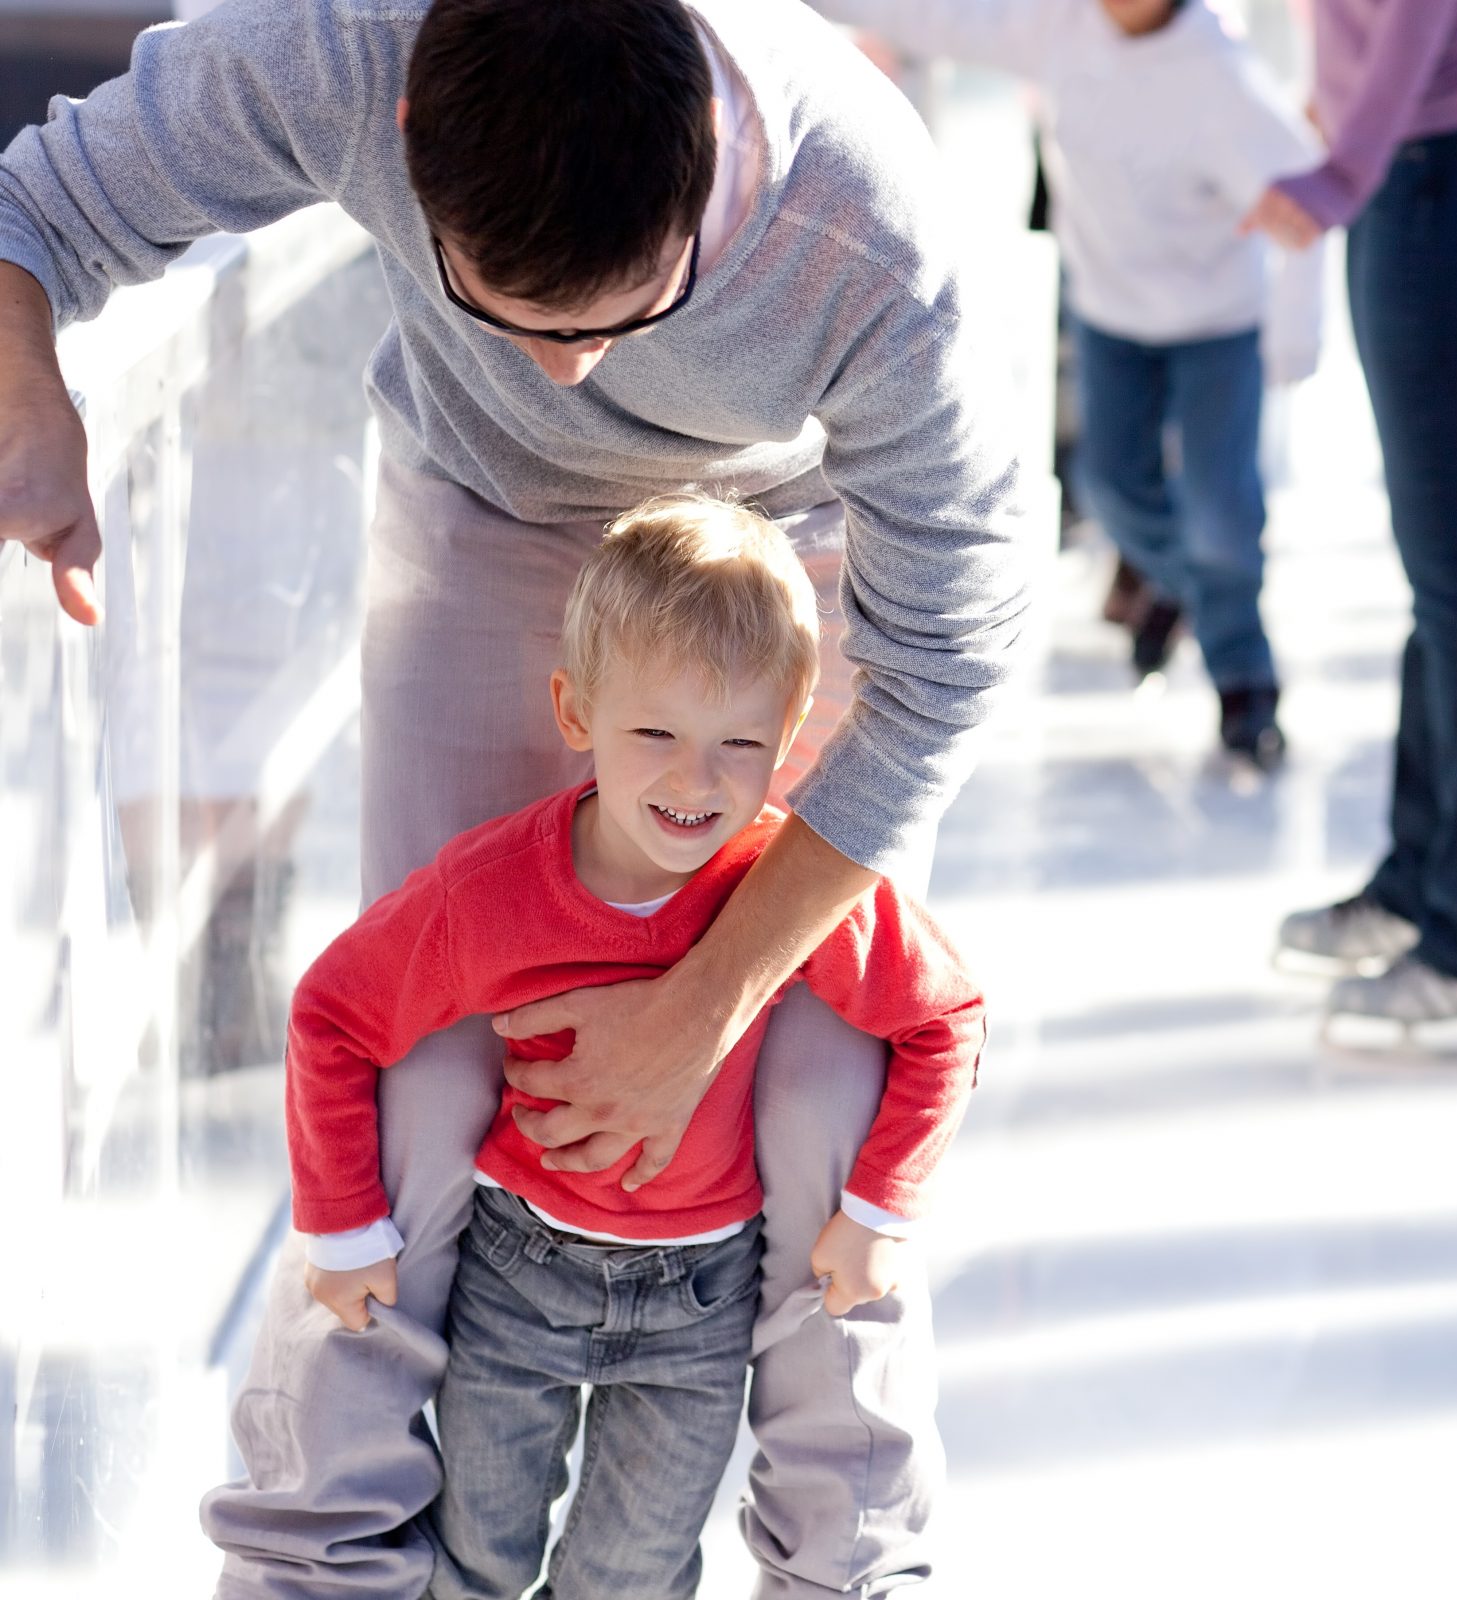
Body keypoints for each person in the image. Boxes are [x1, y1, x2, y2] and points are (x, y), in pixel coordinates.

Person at [0, 1, 1030, 1594]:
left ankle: (848, 1571)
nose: (569, 366)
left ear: (703, 165)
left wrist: (701, 1003)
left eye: (625, 318)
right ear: (409, 145)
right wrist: (24, 390)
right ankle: (319, 1565)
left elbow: (954, 652)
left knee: (825, 1095)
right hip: (486, 522)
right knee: (417, 1077)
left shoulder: (869, 225)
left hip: (774, 567)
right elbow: (36, 206)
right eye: (517, 314)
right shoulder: (342, 53)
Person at [291, 497, 984, 1599]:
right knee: (477, 1554)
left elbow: (945, 1017)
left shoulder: (794, 889)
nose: (694, 781)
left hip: (700, 1305)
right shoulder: (492, 891)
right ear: (575, 711)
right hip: (516, 1277)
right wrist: (343, 1230)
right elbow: (331, 1011)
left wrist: (877, 1213)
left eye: (740, 743)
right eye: (654, 733)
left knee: (633, 1575)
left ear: (793, 732)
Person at [814, 0, 1323, 768]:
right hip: (1111, 319)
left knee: (1223, 511)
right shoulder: (1059, 28)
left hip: (1218, 326)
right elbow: (941, 20)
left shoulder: (1220, 73)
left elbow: (1306, 200)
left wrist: (1296, 339)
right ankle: (1186, 586)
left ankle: (1246, 685)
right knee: (1112, 490)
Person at [1245, 1, 1457, 1033]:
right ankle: (1428, 882)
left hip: (1441, 170)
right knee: (1444, 563)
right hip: (1428, 165)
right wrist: (1337, 115)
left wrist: (1343, 169)